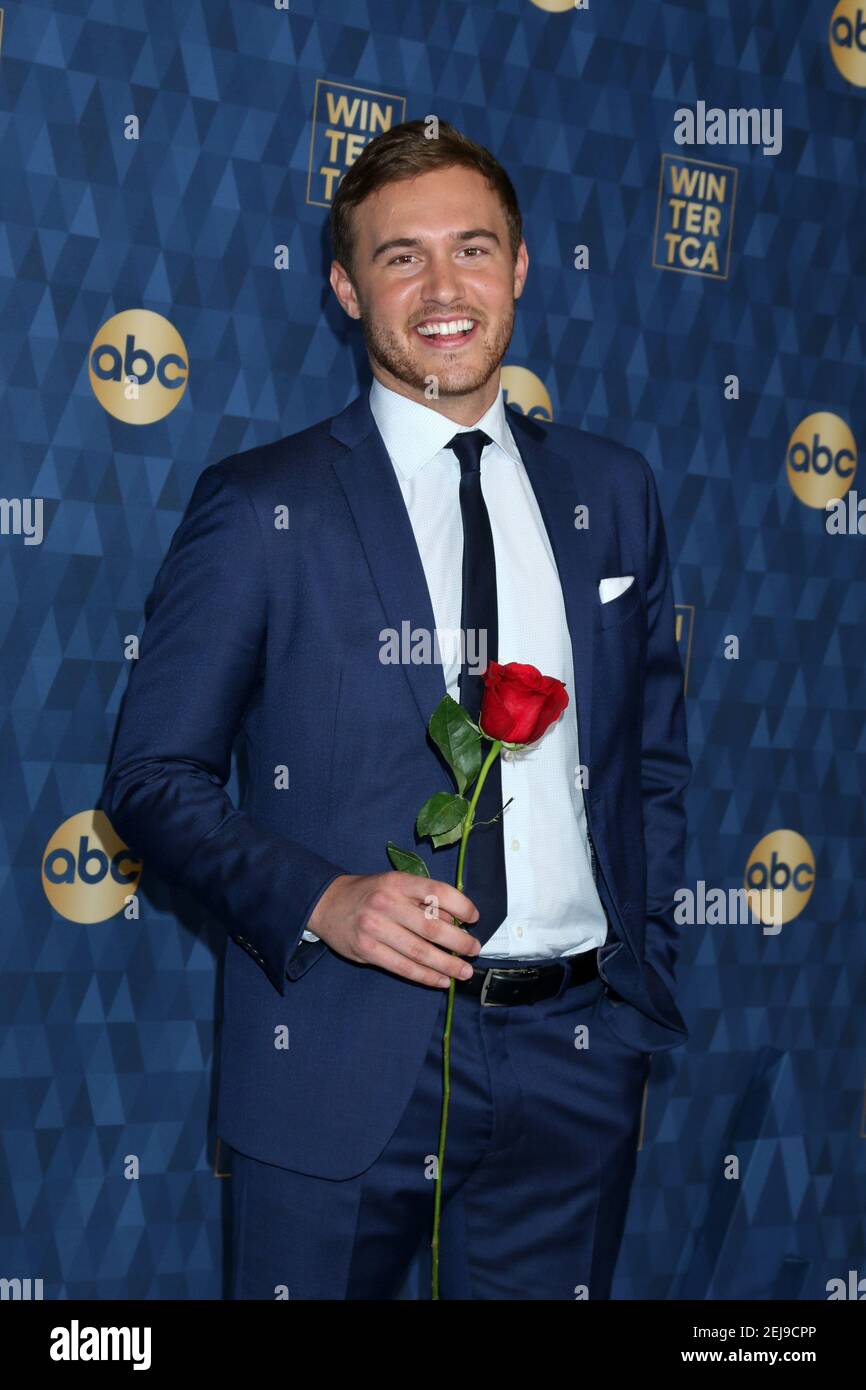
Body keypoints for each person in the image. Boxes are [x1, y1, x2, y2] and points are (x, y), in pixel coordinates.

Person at [101, 118, 691, 1300]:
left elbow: (652, 764)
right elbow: (151, 781)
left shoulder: (609, 492)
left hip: (574, 1065)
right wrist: (322, 897)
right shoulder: (262, 505)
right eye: (398, 256)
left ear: (518, 268)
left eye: (472, 249)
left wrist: (639, 982)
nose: (441, 288)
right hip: (334, 1060)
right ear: (343, 286)